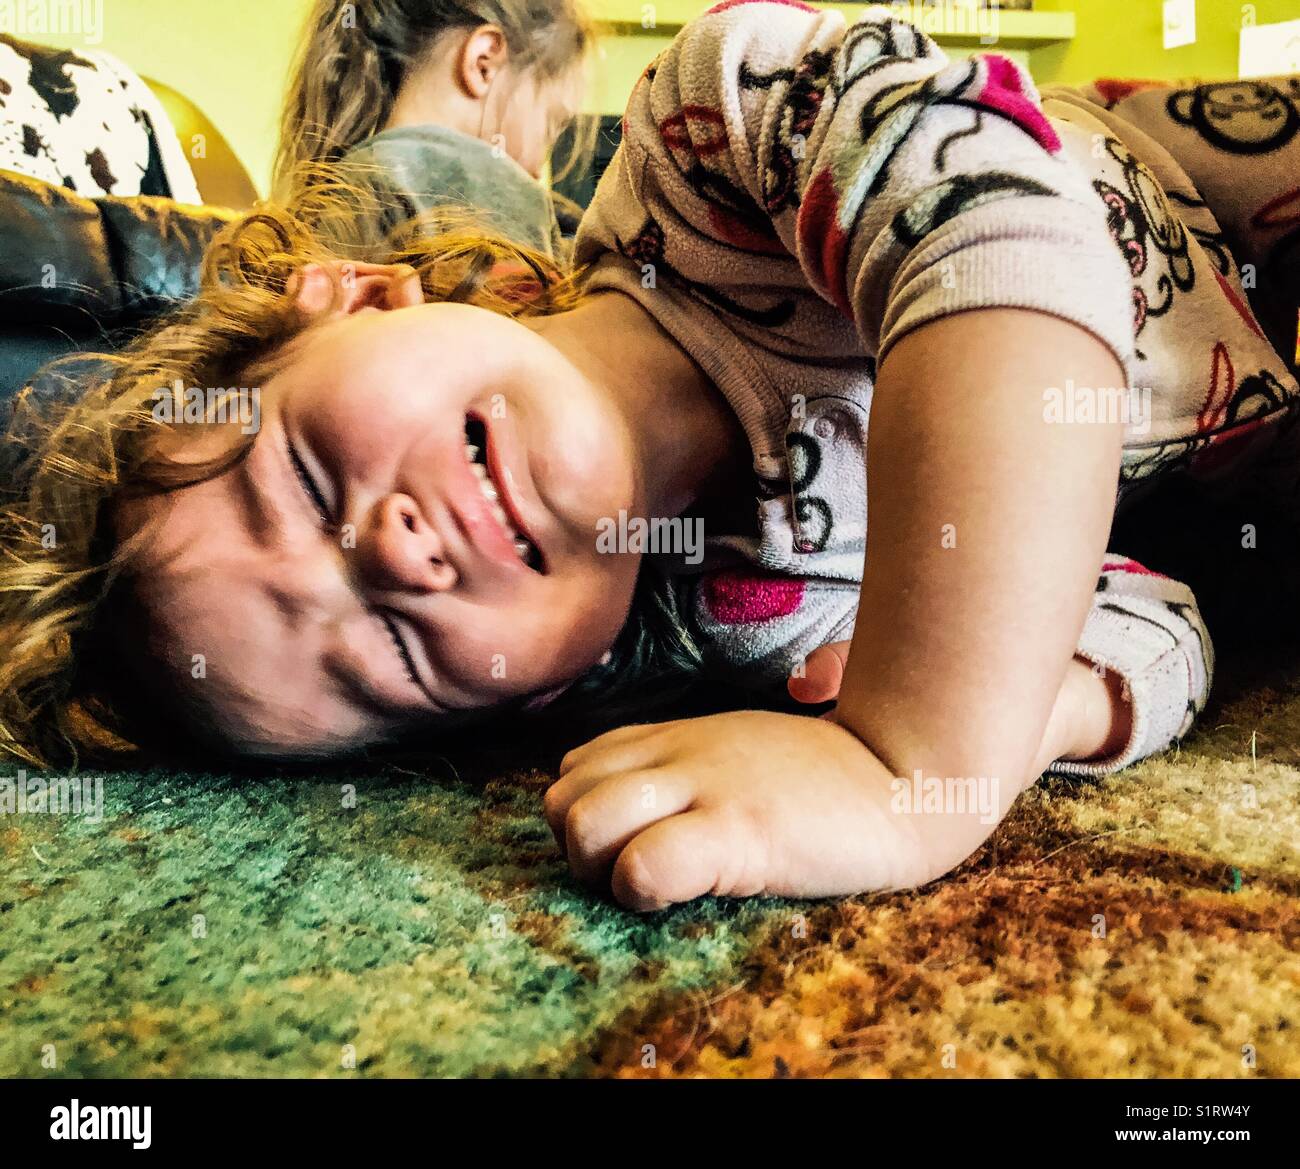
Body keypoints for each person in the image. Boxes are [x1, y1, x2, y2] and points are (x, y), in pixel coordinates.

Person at [4, 2, 1297, 912]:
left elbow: (1003, 231)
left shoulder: (708, 136)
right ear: (506, 706)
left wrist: (914, 763)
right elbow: (1166, 621)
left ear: (349, 294)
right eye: (385, 654)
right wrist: (1033, 710)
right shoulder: (749, 643)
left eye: (306, 482)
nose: (396, 554)